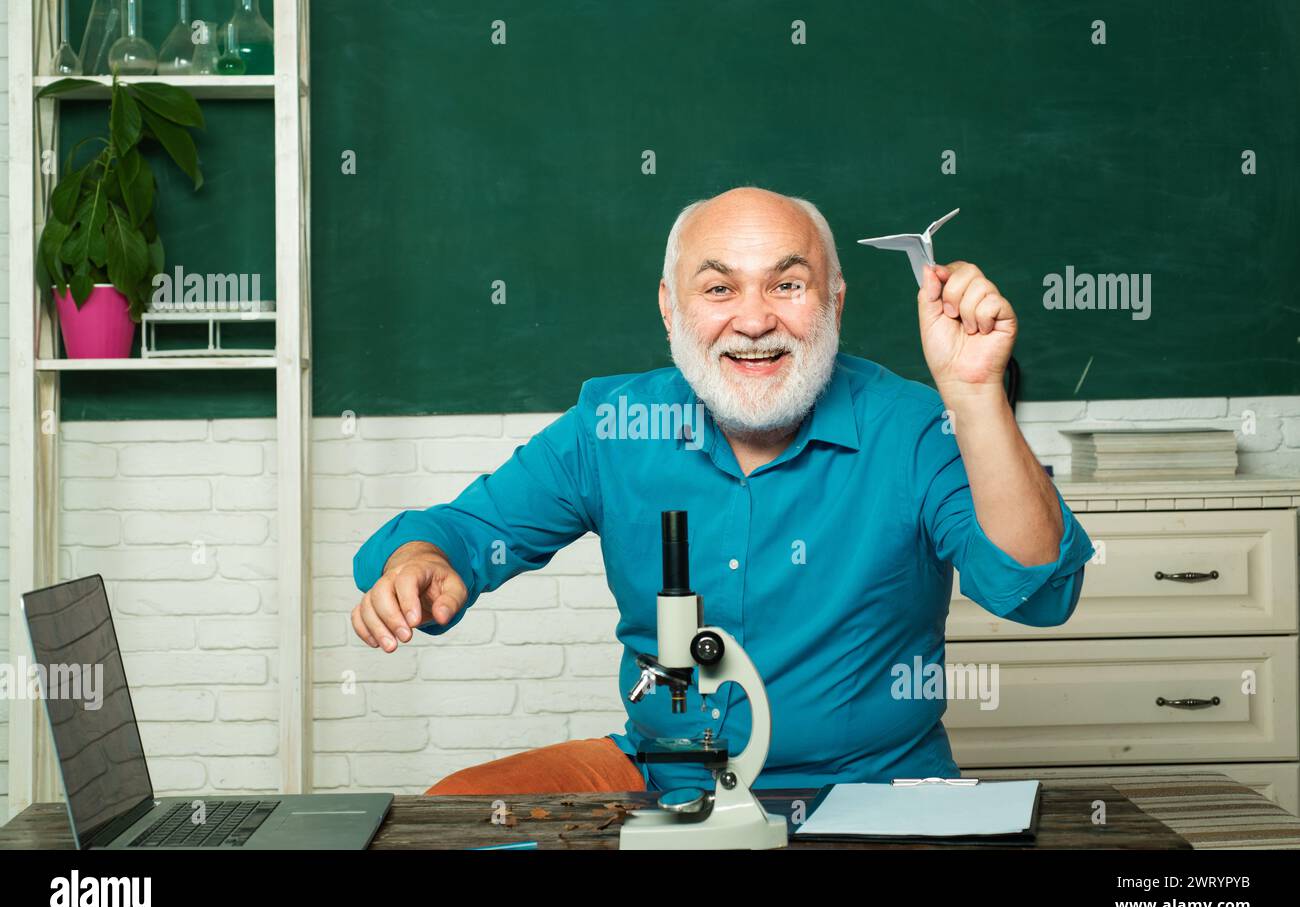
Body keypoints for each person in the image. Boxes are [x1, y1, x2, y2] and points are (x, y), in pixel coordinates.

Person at [352, 186, 1094, 795]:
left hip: (869, 791)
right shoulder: (612, 425)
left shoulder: (911, 427)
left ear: (835, 300)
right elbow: (461, 532)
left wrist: (974, 394)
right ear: (671, 309)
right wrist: (421, 559)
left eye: (788, 284)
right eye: (718, 288)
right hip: (666, 777)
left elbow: (1034, 590)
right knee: (450, 815)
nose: (754, 319)